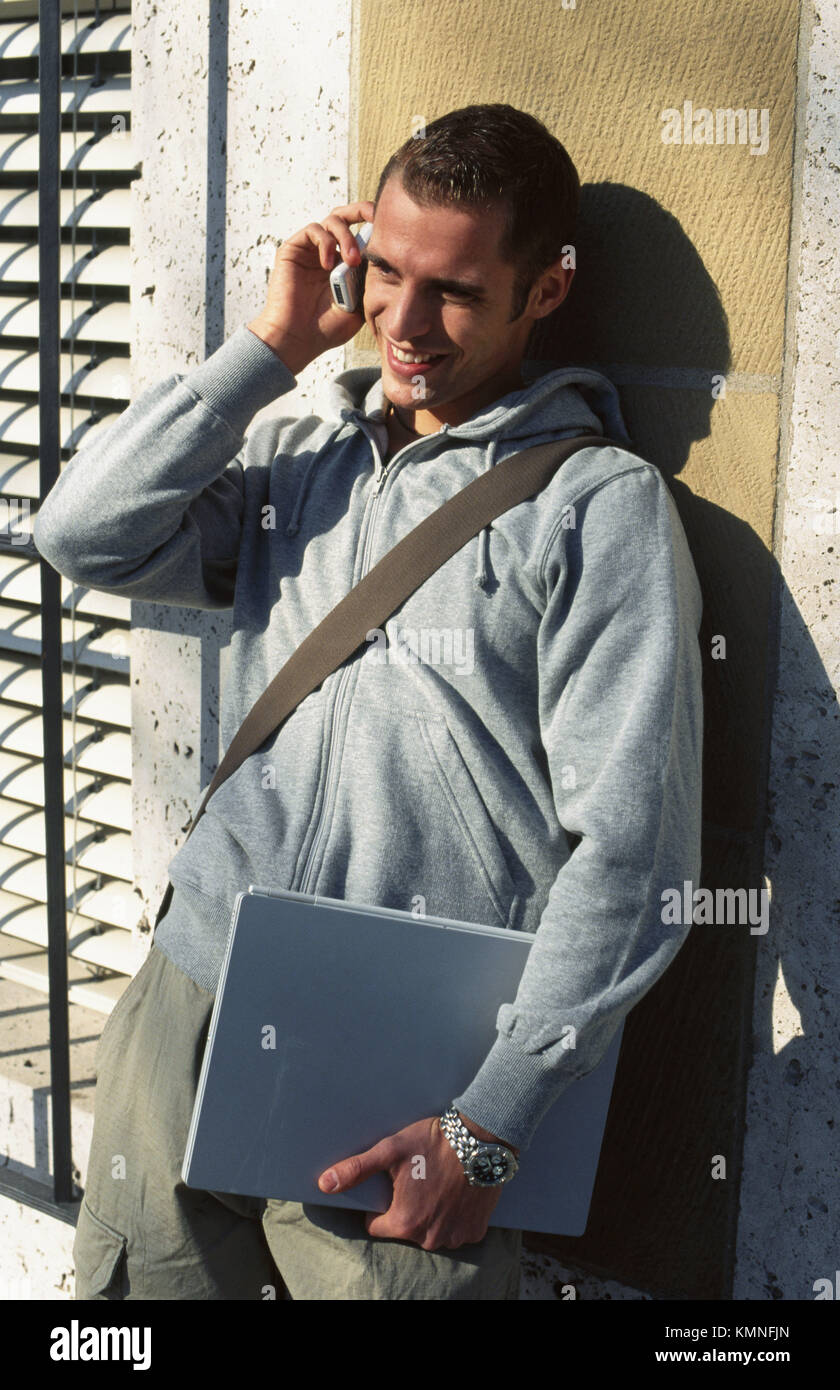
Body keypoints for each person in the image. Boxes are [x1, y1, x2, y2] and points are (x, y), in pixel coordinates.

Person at [33, 103, 703, 1301]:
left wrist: (494, 1121)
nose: (403, 322)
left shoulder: (597, 508)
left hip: (408, 1063)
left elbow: (636, 853)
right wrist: (269, 351)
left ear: (544, 294)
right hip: (193, 993)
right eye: (384, 270)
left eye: (453, 289)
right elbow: (83, 534)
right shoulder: (307, 455)